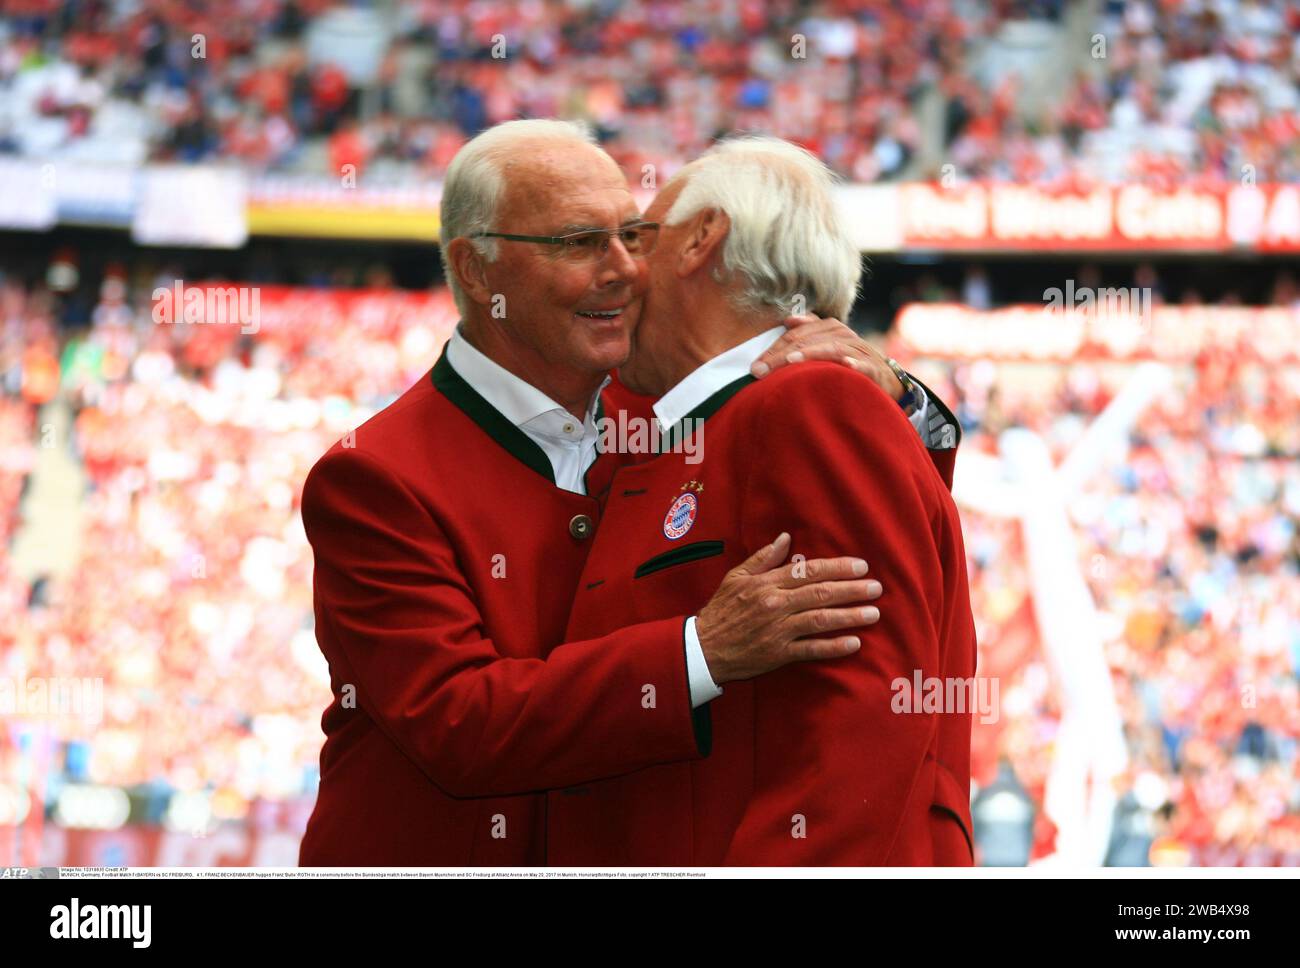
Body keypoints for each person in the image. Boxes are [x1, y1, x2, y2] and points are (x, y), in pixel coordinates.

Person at [299, 120, 956, 865]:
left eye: (632, 236)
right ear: (477, 272)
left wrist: (900, 405)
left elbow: (880, 566)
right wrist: (698, 653)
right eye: (580, 242)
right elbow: (460, 722)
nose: (625, 271)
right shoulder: (375, 476)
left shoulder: (677, 417)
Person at [546, 137, 978, 865]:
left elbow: (858, 731)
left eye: (638, 236)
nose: (616, 270)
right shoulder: (691, 421)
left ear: (703, 238)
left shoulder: (811, 404)